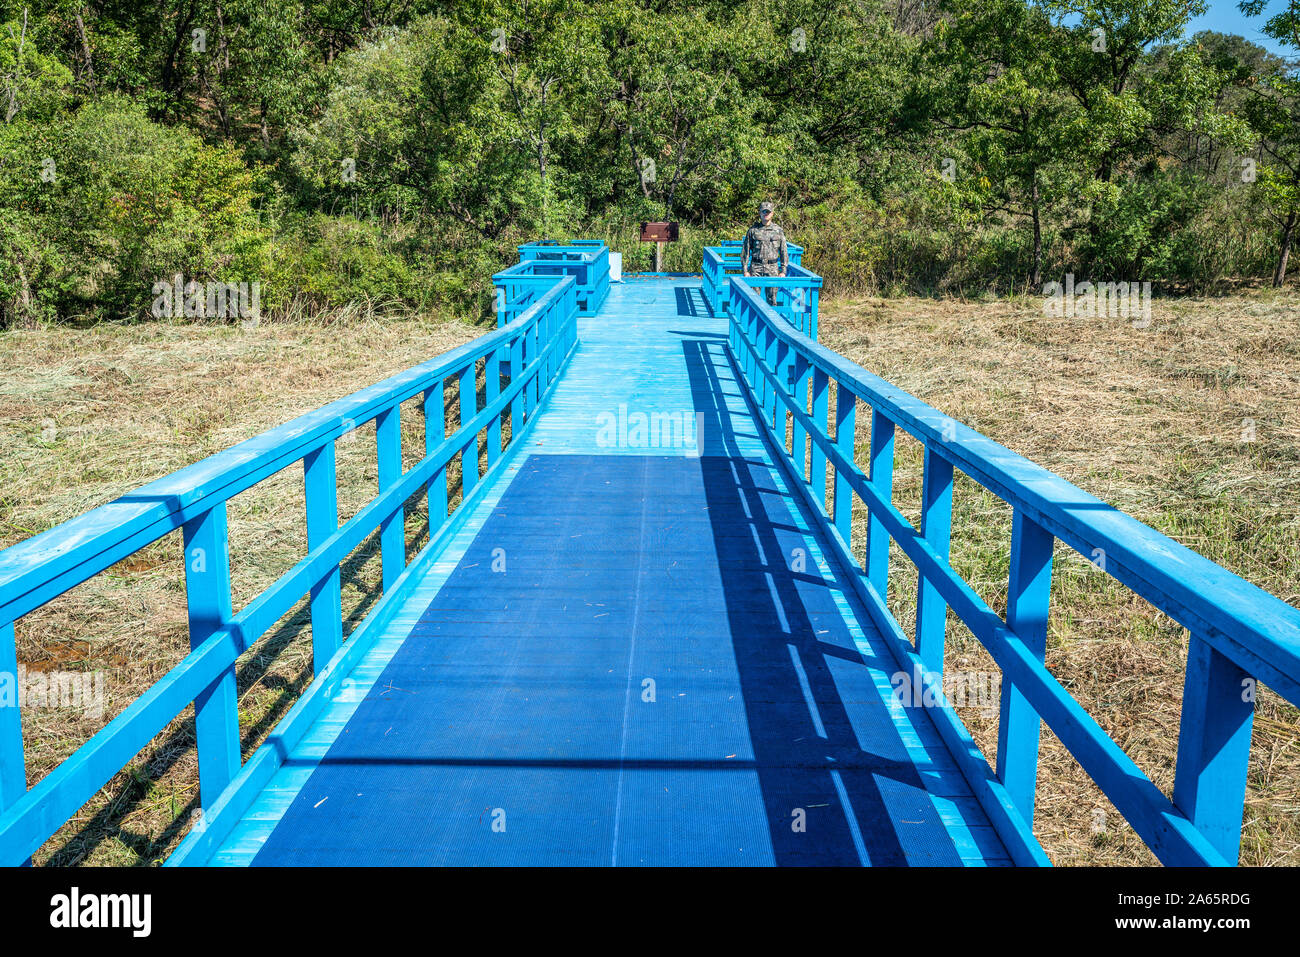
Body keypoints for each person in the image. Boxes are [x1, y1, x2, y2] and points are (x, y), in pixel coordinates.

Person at [741, 201, 788, 306]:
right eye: (764, 212)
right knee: (753, 300)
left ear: (772, 214)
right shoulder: (753, 230)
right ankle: (754, 323)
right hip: (756, 267)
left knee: (772, 300)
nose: (766, 214)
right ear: (760, 213)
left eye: (768, 212)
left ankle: (771, 322)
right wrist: (745, 270)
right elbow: (745, 251)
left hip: (773, 267)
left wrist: (783, 271)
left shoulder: (778, 230)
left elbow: (783, 251)